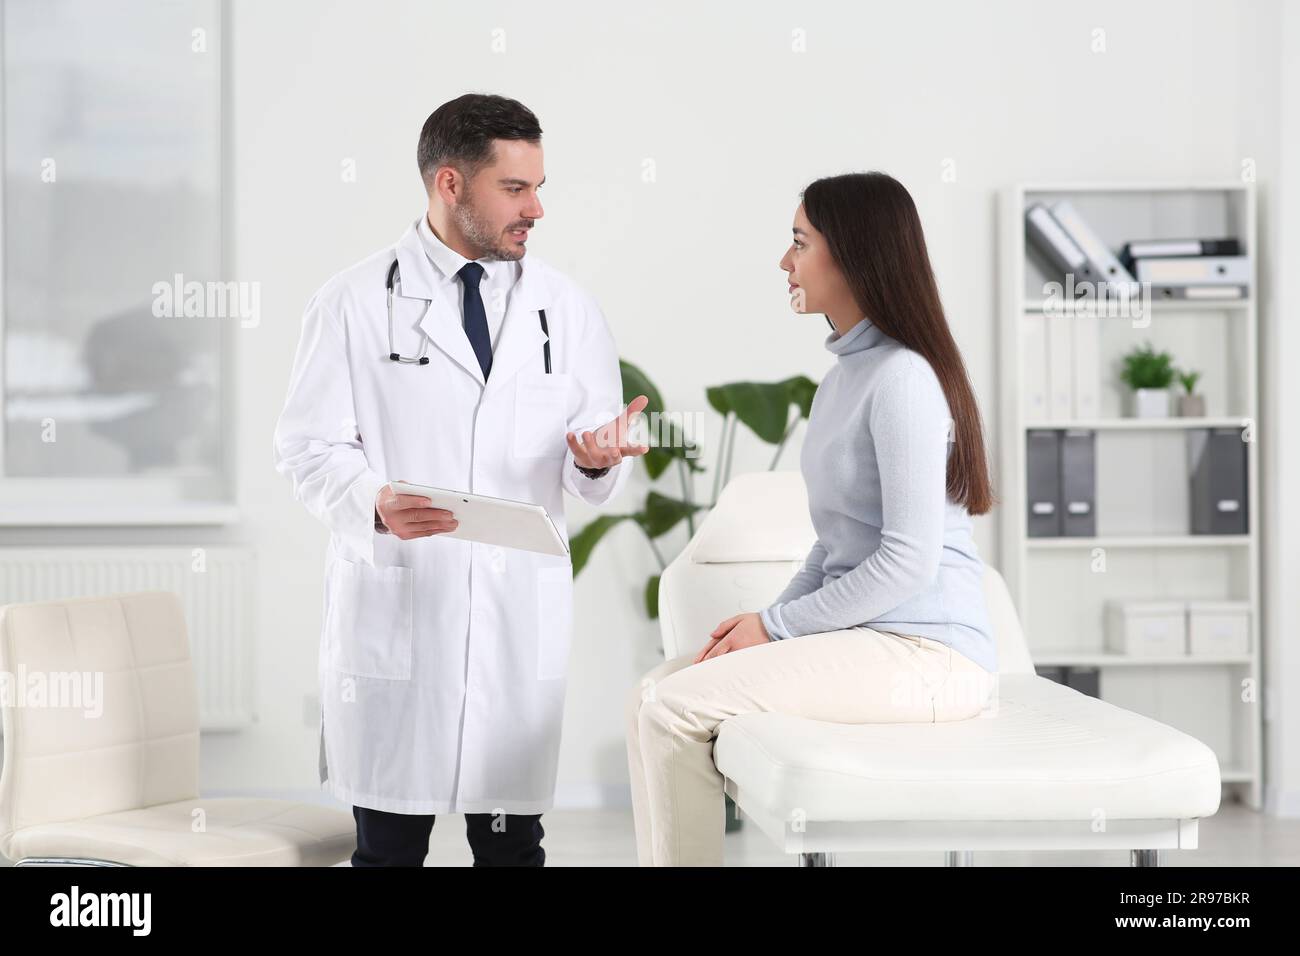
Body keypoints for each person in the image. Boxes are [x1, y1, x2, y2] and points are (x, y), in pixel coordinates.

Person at [273, 93, 648, 866]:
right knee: (389, 851)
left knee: (513, 851)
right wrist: (371, 502)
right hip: (402, 613)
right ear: (450, 185)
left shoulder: (566, 311)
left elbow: (590, 468)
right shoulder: (351, 303)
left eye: (540, 186)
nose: (537, 208)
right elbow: (307, 448)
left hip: (515, 624)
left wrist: (593, 459)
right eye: (515, 189)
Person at [624, 171, 1000, 866]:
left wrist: (777, 628)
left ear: (853, 256)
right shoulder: (844, 380)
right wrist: (765, 624)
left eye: (799, 242)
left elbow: (908, 561)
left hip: (934, 658)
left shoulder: (904, 380)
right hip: (876, 640)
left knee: (674, 711)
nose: (783, 262)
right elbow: (833, 550)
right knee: (650, 693)